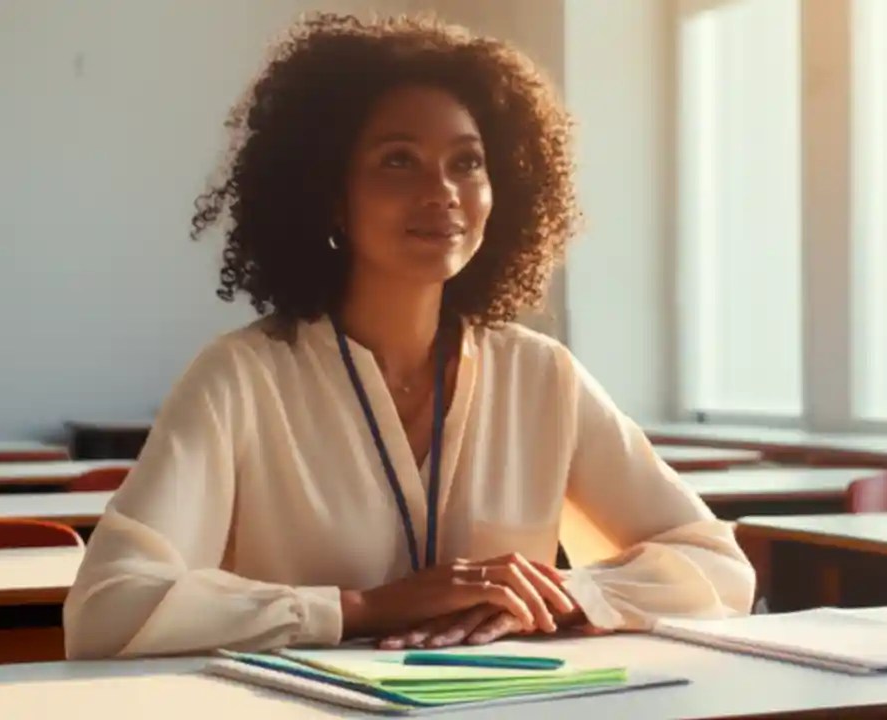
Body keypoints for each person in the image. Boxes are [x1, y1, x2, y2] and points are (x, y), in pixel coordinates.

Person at [63, 13, 753, 660]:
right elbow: (108, 610)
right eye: (399, 160)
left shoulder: (541, 375)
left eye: (467, 162)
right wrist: (362, 607)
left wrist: (562, 595)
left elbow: (719, 566)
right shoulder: (240, 377)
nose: (444, 191)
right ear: (329, 194)